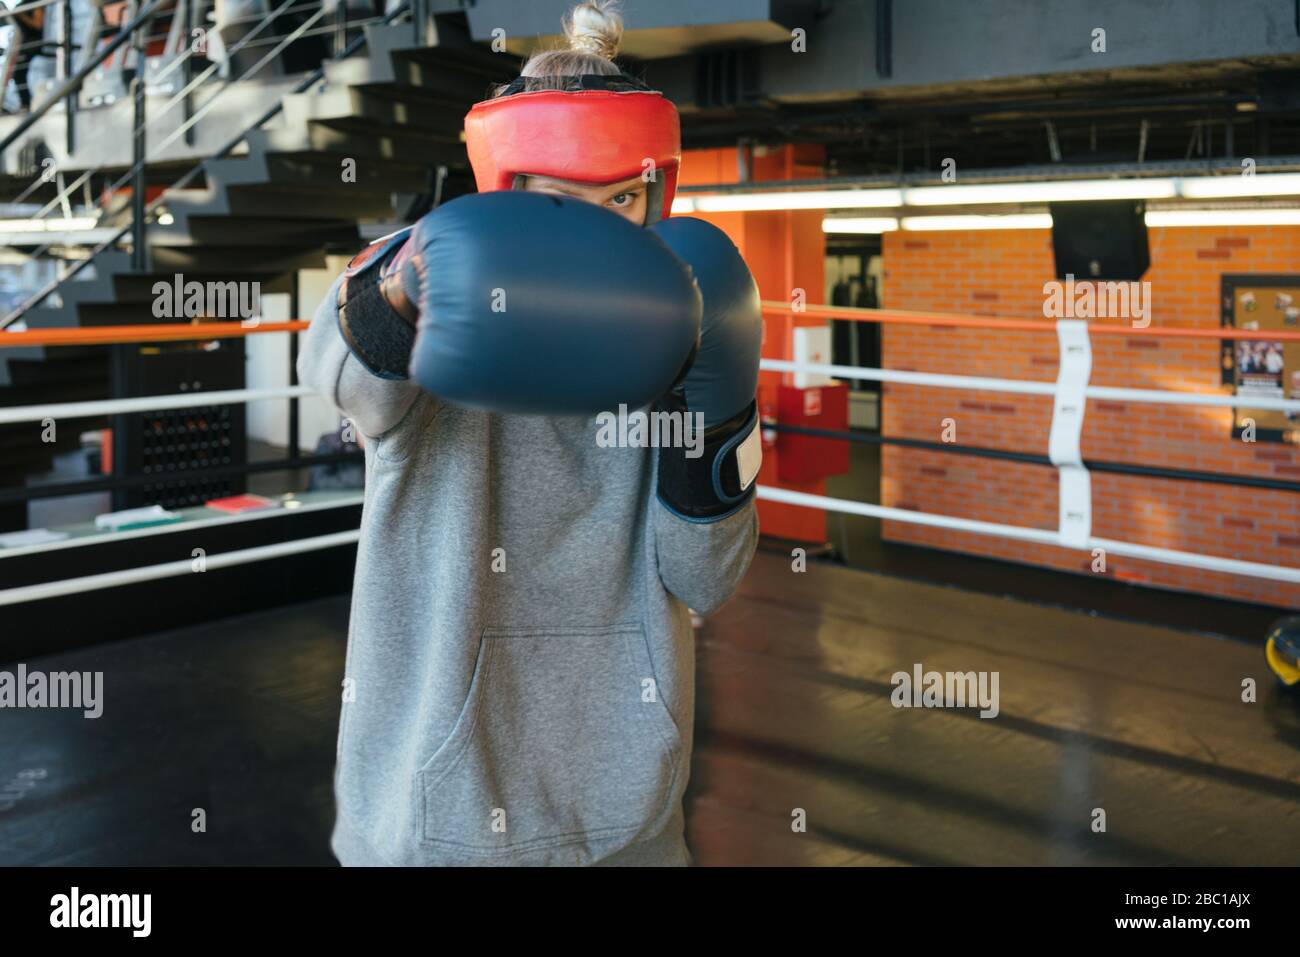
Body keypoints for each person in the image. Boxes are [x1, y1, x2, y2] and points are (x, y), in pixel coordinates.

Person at [297, 0, 762, 866]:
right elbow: (333, 371)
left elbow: (707, 579)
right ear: (504, 197)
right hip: (433, 825)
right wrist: (404, 281)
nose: (590, 231)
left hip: (630, 828)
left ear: (656, 194)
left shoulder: (684, 335)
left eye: (620, 197)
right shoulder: (440, 299)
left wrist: (719, 404)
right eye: (557, 200)